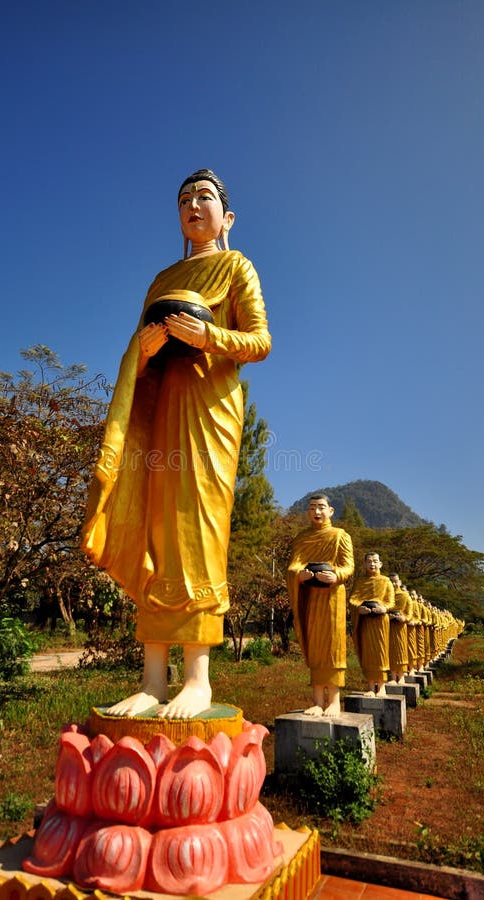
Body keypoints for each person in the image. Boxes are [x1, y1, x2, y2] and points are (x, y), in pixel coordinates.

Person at [81, 169, 271, 719]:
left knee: (200, 530)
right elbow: (134, 353)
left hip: (210, 410)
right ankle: (150, 679)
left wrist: (207, 336)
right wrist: (144, 348)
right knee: (159, 529)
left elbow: (260, 341)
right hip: (162, 407)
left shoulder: (237, 266)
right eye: (185, 199)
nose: (193, 205)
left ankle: (197, 678)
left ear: (226, 218)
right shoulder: (162, 277)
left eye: (204, 198)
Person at [286, 495, 354, 717]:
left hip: (333, 598)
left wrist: (336, 576)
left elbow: (348, 567)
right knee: (315, 647)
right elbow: (294, 565)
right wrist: (300, 575)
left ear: (331, 510)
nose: (317, 512)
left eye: (321, 507)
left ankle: (334, 700)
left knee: (333, 647)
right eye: (312, 508)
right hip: (311, 599)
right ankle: (316, 700)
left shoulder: (340, 536)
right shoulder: (302, 539)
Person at [349, 552, 394, 696]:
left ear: (380, 564)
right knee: (367, 652)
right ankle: (370, 686)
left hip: (380, 621)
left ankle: (381, 686)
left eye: (375, 561)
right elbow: (353, 599)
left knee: (380, 651)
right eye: (369, 561)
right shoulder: (360, 581)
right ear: (364, 564)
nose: (372, 564)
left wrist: (384, 608)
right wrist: (358, 608)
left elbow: (390, 602)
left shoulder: (386, 581)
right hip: (365, 621)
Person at [388, 574, 411, 682]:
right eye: (391, 581)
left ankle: (401, 676)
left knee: (401, 650)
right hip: (389, 626)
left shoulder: (405, 596)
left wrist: (403, 617)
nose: (394, 584)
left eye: (396, 581)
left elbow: (409, 613)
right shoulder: (385, 596)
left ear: (400, 582)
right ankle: (393, 676)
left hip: (401, 627)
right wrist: (388, 616)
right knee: (390, 651)